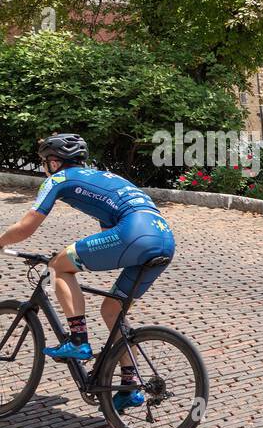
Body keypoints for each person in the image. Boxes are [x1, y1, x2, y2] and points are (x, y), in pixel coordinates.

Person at [0, 134, 175, 411]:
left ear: (54, 162)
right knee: (112, 309)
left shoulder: (58, 179)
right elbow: (109, 235)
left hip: (133, 234)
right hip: (163, 238)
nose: (44, 167)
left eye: (44, 162)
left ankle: (78, 340)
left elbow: (26, 226)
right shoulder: (105, 177)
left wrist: (0, 242)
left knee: (58, 265)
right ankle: (129, 387)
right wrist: (82, 257)